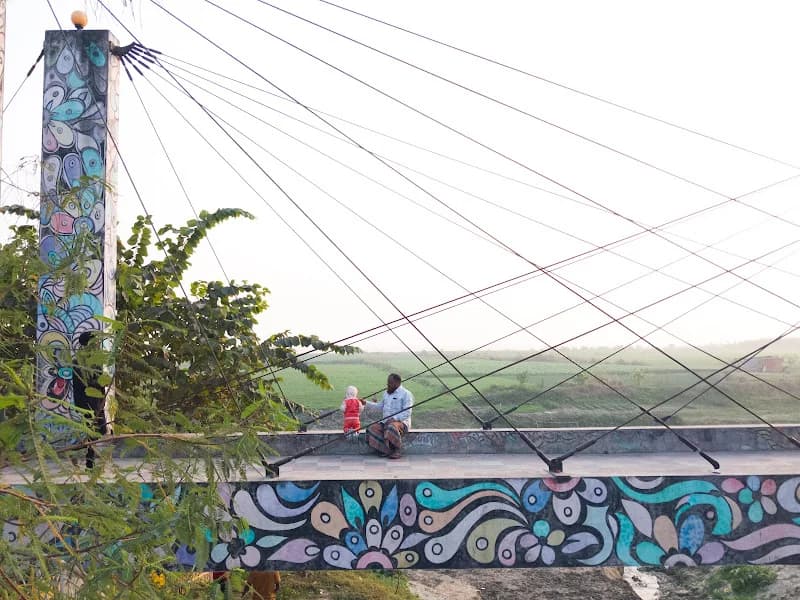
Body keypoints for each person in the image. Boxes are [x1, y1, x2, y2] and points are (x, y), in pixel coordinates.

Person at [72, 331, 107, 469]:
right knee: (93, 430)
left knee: (92, 430)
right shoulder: (91, 363)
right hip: (91, 401)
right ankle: (89, 459)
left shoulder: (77, 362)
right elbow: (98, 384)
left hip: (86, 401)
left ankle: (89, 458)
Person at [366, 373, 413, 459]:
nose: (387, 385)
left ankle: (398, 449)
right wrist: (366, 403)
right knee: (371, 428)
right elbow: (380, 406)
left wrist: (394, 419)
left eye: (390, 383)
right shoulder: (386, 393)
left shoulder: (406, 394)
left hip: (401, 423)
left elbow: (407, 412)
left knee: (391, 427)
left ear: (397, 384)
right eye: (387, 383)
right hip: (386, 422)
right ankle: (386, 450)